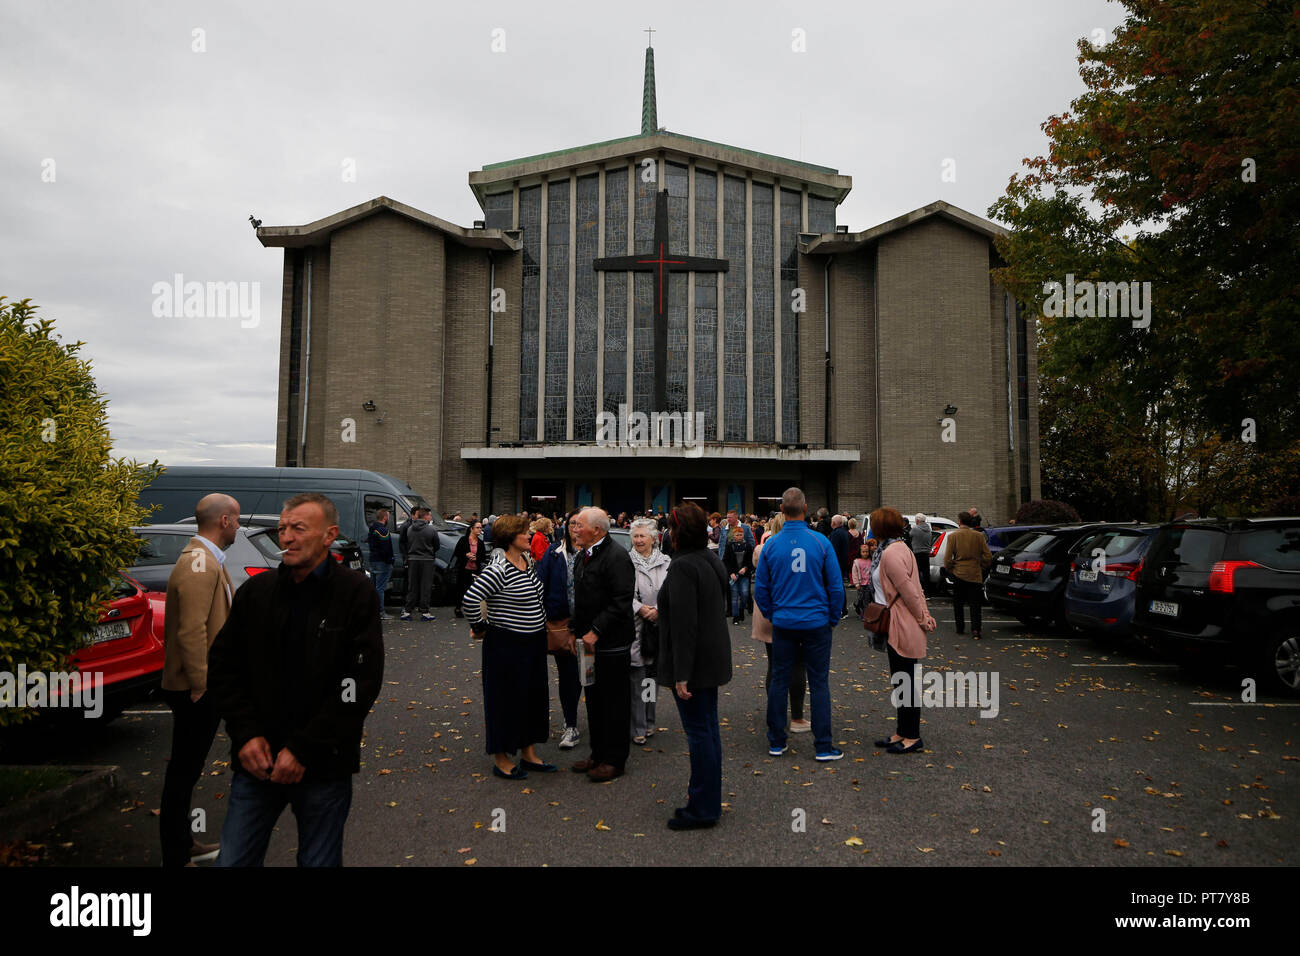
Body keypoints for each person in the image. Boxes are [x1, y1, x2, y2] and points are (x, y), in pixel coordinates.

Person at [208, 493, 383, 866]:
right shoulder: (258, 592)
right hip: (256, 763)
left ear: (328, 534)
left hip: (323, 767)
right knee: (233, 860)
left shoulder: (354, 593)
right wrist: (245, 733)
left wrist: (305, 748)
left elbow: (359, 682)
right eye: (283, 529)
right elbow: (224, 665)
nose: (286, 537)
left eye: (298, 528)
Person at [159, 493, 239, 868]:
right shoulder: (199, 563)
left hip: (201, 686)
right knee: (183, 772)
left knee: (187, 771)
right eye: (237, 520)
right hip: (196, 690)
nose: (238, 526)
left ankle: (182, 844)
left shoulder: (208, 561)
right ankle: (176, 852)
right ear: (224, 521)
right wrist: (201, 684)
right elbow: (191, 631)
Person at [753, 487, 845, 761]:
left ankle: (777, 742)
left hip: (784, 622)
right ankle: (824, 746)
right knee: (818, 682)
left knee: (780, 679)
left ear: (782, 510)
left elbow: (761, 589)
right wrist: (832, 617)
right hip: (816, 622)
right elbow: (836, 587)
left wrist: (772, 614)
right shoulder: (820, 542)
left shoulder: (771, 545)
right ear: (805, 509)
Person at [656, 502, 731, 830]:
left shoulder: (683, 566)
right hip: (711, 659)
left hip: (694, 665)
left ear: (677, 531)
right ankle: (707, 801)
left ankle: (702, 806)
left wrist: (682, 673)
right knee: (708, 731)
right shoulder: (710, 558)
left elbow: (684, 625)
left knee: (700, 734)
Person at [462, 514, 553, 780]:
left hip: (533, 643)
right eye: (524, 533)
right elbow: (471, 598)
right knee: (504, 700)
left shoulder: (527, 561)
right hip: (506, 646)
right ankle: (501, 758)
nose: (529, 536)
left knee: (532, 697)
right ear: (510, 538)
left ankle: (529, 753)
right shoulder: (498, 568)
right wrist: (480, 627)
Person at [567, 507, 635, 782]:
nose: (574, 529)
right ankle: (598, 753)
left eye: (579, 525)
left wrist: (595, 630)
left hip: (612, 643)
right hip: (589, 644)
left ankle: (615, 760)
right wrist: (575, 630)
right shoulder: (585, 555)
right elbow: (581, 599)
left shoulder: (616, 557)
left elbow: (621, 600)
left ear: (597, 530)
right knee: (594, 699)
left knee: (614, 702)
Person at [868, 507, 936, 754]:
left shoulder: (891, 553)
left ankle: (912, 736)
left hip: (902, 622)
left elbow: (909, 589)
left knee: (905, 680)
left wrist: (922, 617)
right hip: (897, 621)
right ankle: (902, 731)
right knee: (901, 679)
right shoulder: (893, 547)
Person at [752, 513, 809, 734]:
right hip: (794, 611)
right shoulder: (803, 548)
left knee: (774, 665)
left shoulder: (763, 549)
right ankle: (797, 717)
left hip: (768, 613)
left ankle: (776, 715)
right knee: (797, 664)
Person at [537, 509, 583, 750]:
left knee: (590, 676)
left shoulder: (594, 553)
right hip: (561, 626)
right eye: (572, 523)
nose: (576, 528)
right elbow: (539, 585)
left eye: (580, 523)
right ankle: (571, 724)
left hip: (589, 628)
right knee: (568, 677)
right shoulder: (554, 554)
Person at [629, 518, 669, 745]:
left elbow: (671, 592)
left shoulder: (666, 562)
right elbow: (622, 592)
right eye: (635, 536)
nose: (638, 540)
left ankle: (650, 720)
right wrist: (640, 609)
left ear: (653, 539)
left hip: (657, 627)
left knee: (651, 680)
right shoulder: (625, 562)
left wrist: (657, 610)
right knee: (636, 678)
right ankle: (638, 726)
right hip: (634, 628)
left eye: (643, 536)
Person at [945, 510, 993, 638]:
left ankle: (960, 627)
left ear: (959, 522)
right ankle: (976, 629)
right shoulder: (978, 536)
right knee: (975, 604)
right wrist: (981, 566)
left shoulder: (953, 536)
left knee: (958, 603)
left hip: (959, 572)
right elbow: (988, 556)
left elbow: (948, 558)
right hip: (975, 573)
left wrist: (951, 568)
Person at [401, 507, 439, 622]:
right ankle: (425, 611)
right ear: (426, 516)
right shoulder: (431, 530)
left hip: (412, 559)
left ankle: (407, 610)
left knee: (412, 586)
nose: (431, 517)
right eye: (430, 515)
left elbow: (407, 543)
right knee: (425, 586)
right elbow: (436, 545)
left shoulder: (410, 529)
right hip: (427, 559)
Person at [451, 519, 485, 618]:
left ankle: (474, 611)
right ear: (472, 529)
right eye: (477, 528)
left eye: (480, 528)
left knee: (475, 591)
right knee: (461, 589)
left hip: (475, 570)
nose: (479, 530)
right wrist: (466, 554)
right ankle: (458, 608)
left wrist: (476, 558)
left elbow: (483, 556)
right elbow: (457, 552)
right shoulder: (463, 540)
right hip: (463, 568)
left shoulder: (481, 542)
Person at [721, 524, 754, 625]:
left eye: (741, 534)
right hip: (733, 575)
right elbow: (726, 561)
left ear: (743, 535)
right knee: (734, 596)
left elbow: (751, 561)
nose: (739, 536)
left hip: (744, 574)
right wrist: (731, 573)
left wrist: (745, 568)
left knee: (744, 594)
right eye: (737, 535)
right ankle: (735, 617)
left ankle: (741, 610)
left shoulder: (748, 546)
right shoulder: (730, 546)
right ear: (733, 536)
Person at [367, 507, 394, 615]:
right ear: (385, 517)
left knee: (374, 587)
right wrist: (390, 560)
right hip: (382, 562)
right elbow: (386, 548)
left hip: (373, 559)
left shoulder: (372, 528)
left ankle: (372, 610)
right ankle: (380, 611)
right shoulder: (383, 531)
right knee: (380, 588)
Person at [828, 514, 853, 618]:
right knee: (839, 586)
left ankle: (841, 609)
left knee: (836, 587)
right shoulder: (845, 533)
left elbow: (833, 551)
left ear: (833, 523)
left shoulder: (835, 534)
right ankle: (843, 609)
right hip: (843, 562)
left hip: (836, 563)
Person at [911, 513, 933, 596]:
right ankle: (928, 593)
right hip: (926, 554)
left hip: (917, 553)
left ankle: (918, 591)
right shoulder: (929, 529)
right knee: (926, 573)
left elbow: (909, 536)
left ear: (917, 520)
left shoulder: (915, 529)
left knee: (916, 573)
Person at [850, 541, 872, 617]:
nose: (865, 553)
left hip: (868, 584)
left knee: (867, 600)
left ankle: (865, 614)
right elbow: (854, 573)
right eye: (863, 552)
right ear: (860, 552)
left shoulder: (870, 561)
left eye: (867, 552)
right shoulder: (857, 562)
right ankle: (859, 608)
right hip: (861, 584)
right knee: (861, 599)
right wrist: (856, 584)